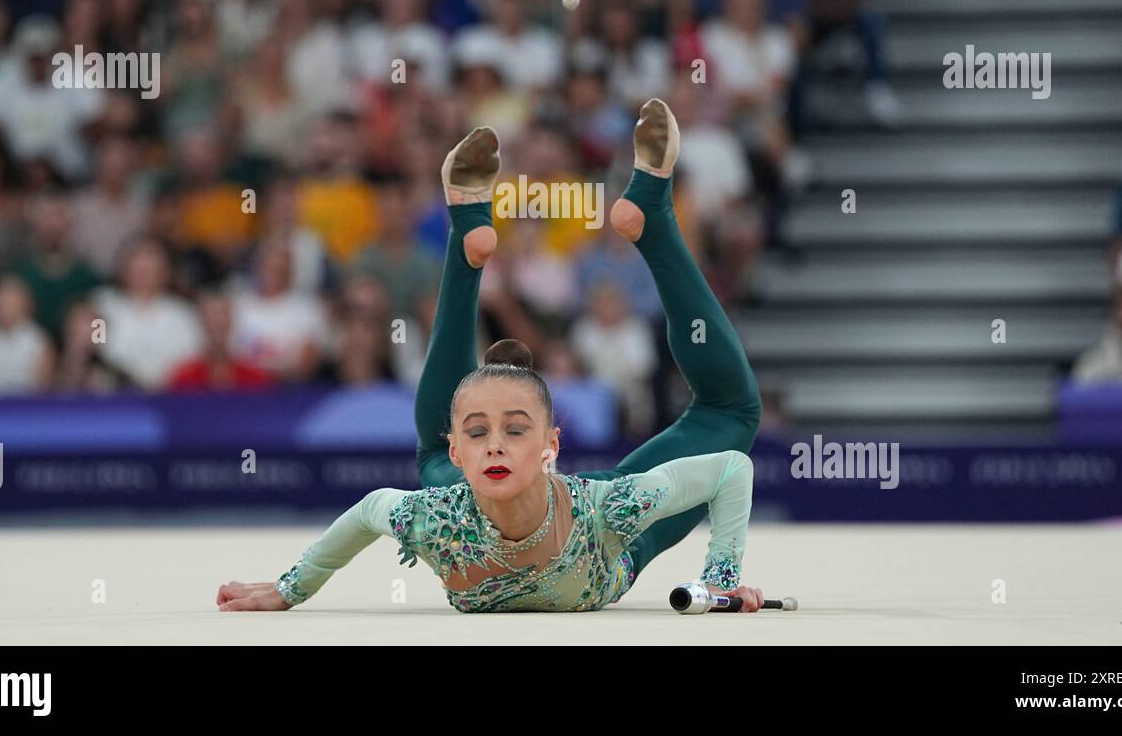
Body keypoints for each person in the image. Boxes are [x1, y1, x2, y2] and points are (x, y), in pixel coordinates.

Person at [218, 99, 766, 613]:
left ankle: (475, 235)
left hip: (595, 538)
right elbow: (368, 511)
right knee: (728, 411)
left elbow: (731, 471)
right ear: (463, 451)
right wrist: (291, 589)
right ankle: (643, 220)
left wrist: (720, 578)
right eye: (478, 434)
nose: (496, 444)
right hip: (501, 508)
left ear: (553, 443)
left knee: (731, 413)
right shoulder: (439, 517)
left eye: (517, 430)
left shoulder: (613, 507)